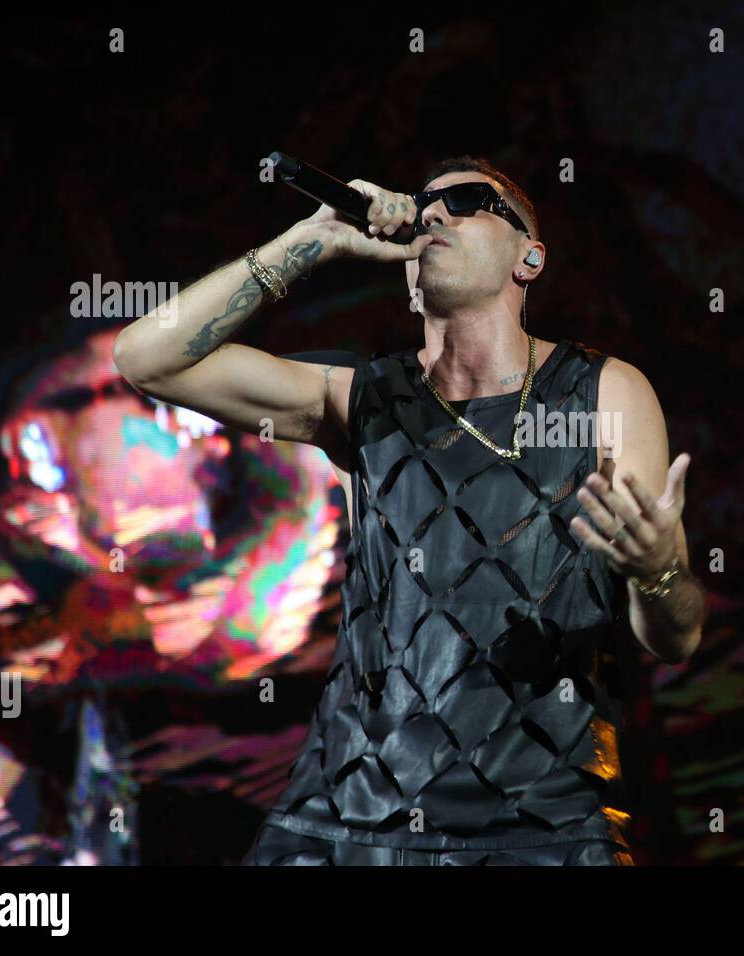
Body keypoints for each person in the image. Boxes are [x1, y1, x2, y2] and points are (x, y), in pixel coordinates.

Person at [112, 155, 706, 865]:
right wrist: (316, 239)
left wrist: (657, 571)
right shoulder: (359, 396)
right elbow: (148, 358)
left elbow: (675, 638)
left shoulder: (603, 392)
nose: (435, 215)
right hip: (342, 819)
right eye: (425, 206)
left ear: (530, 257)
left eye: (467, 202)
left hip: (539, 829)